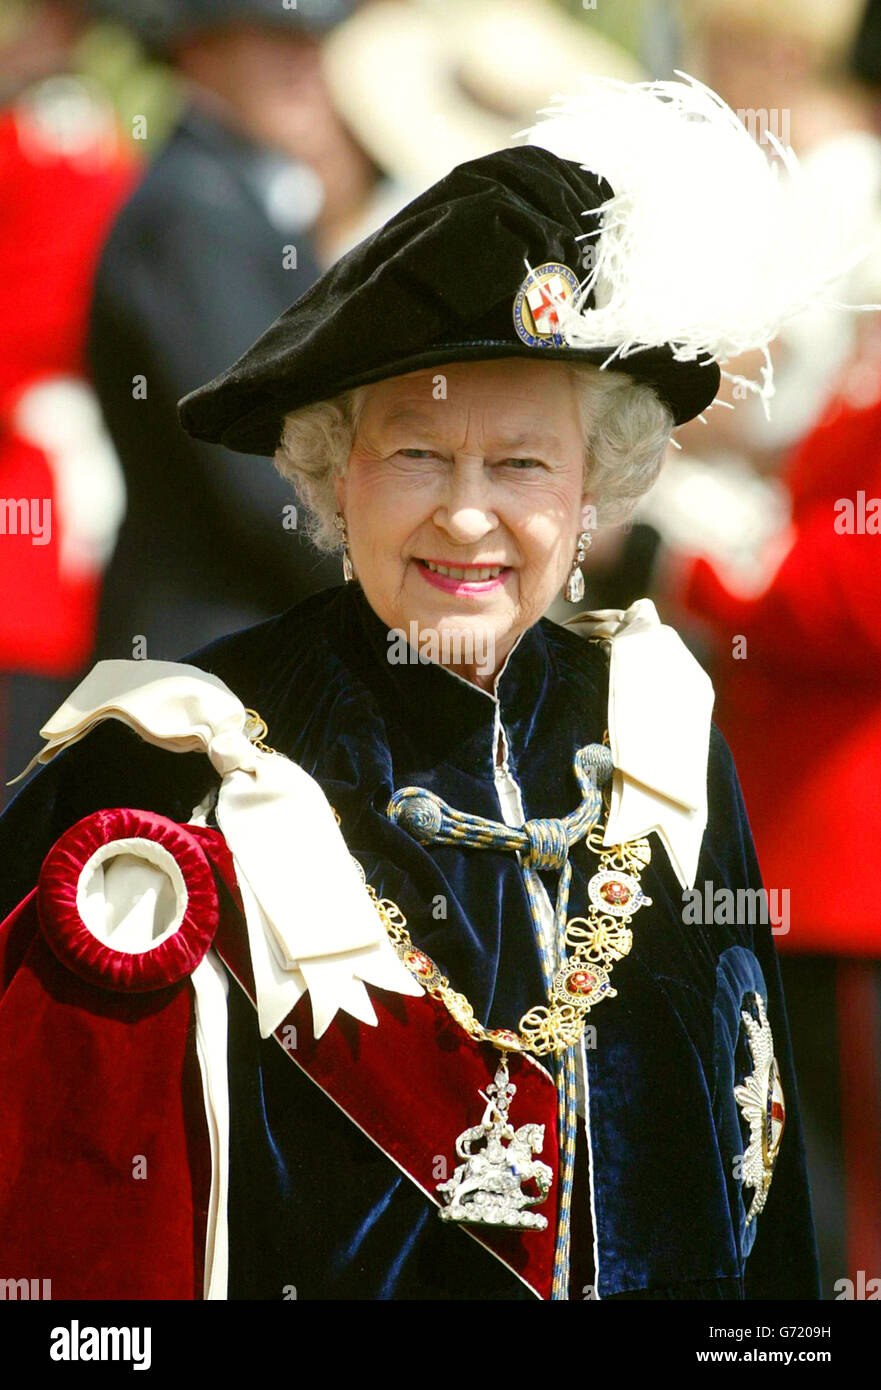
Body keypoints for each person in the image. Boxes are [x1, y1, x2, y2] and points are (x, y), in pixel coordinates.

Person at [0, 76, 827, 1301]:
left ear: (593, 485)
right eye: (417, 454)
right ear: (334, 475)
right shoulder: (167, 771)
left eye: (522, 460)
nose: (468, 511)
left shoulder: (659, 725)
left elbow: (763, 1193)